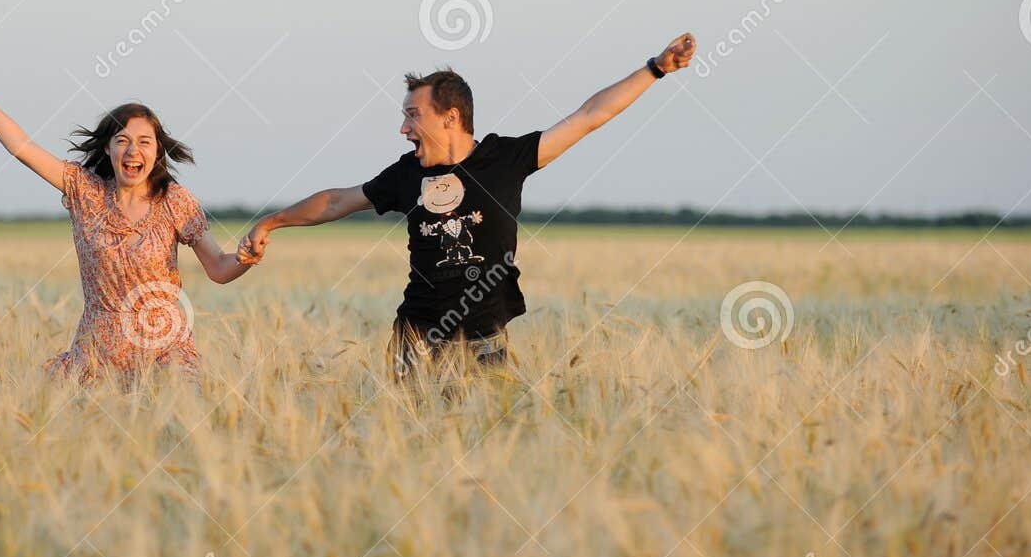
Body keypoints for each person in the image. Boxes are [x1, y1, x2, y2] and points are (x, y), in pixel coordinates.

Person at [238, 34, 697, 381]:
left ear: (451, 117)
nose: (403, 129)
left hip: (485, 343)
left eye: (413, 115)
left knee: (482, 447)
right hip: (415, 341)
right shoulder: (405, 175)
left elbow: (590, 116)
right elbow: (338, 200)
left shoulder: (506, 159)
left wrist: (655, 69)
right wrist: (272, 223)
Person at [0, 40, 255, 382]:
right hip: (96, 359)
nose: (133, 150)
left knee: (180, 399)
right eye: (122, 140)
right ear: (108, 148)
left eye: (144, 142)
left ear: (157, 151)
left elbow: (218, 267)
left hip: (165, 355)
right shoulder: (85, 192)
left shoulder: (174, 201)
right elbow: (21, 146)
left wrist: (247, 257)